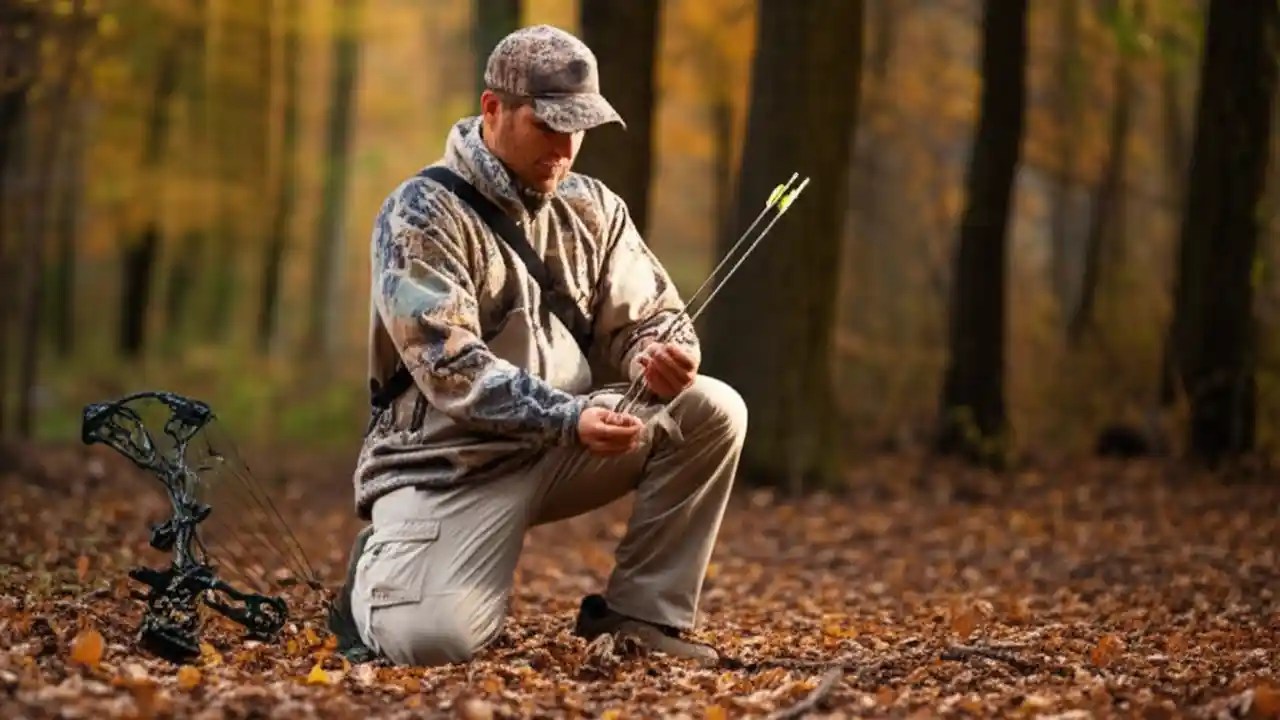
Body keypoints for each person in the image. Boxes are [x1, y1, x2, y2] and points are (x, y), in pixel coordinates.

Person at [327, 24, 747, 668]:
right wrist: (568, 417)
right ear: (493, 109)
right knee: (432, 644)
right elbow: (449, 366)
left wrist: (658, 355)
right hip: (448, 465)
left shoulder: (595, 208)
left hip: (562, 448)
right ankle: (377, 577)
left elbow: (654, 317)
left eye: (578, 127)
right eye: (549, 125)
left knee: (712, 407)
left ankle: (641, 617)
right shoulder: (419, 212)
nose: (566, 146)